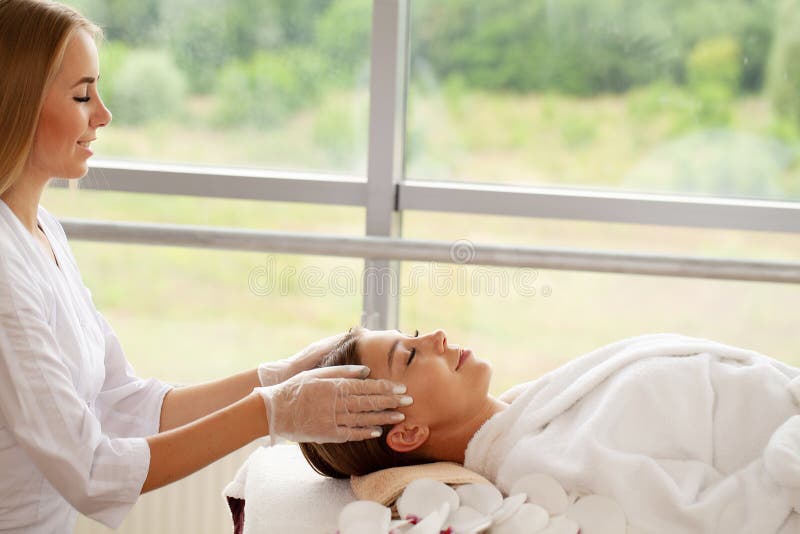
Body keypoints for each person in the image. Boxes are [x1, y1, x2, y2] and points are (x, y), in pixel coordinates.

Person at [0, 1, 411, 531]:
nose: (103, 114)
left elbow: (124, 402)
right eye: (82, 95)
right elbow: (92, 472)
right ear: (16, 103)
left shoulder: (41, 232)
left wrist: (278, 376)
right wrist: (272, 411)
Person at [300, 327, 800, 533]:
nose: (435, 335)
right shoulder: (546, 464)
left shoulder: (532, 408)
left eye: (412, 333)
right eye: (410, 355)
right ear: (407, 434)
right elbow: (711, 517)